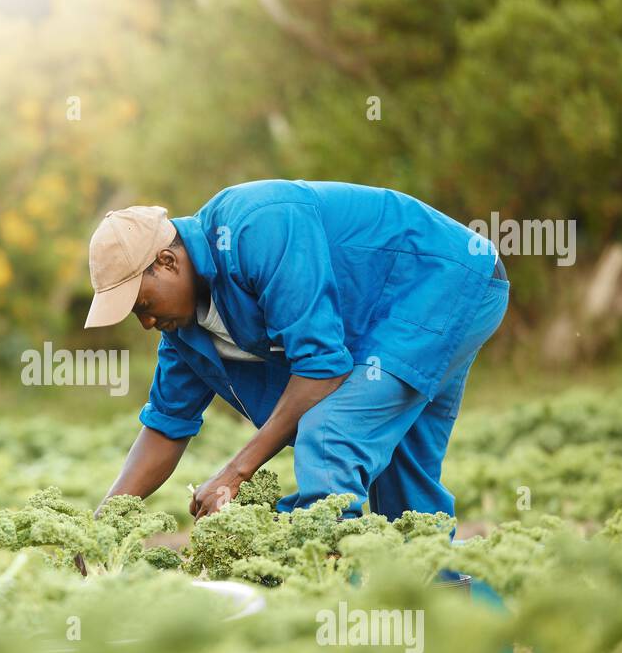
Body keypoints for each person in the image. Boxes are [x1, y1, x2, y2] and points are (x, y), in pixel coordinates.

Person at [83, 180, 508, 523]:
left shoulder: (257, 225)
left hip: (442, 278)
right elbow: (165, 426)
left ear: (168, 262)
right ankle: (473, 625)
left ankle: (319, 601)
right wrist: (105, 520)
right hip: (396, 318)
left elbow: (322, 369)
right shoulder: (183, 335)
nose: (145, 323)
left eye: (142, 304)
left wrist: (235, 474)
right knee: (408, 512)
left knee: (330, 437)